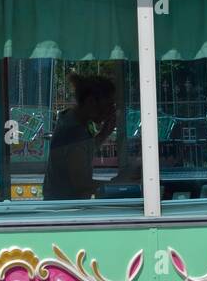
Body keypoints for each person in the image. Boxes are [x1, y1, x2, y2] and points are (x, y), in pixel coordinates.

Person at [43, 73, 137, 201]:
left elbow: (82, 151)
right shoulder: (74, 132)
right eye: (109, 104)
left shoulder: (70, 122)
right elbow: (81, 185)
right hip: (66, 210)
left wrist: (104, 133)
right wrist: (120, 183)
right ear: (91, 102)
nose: (111, 110)